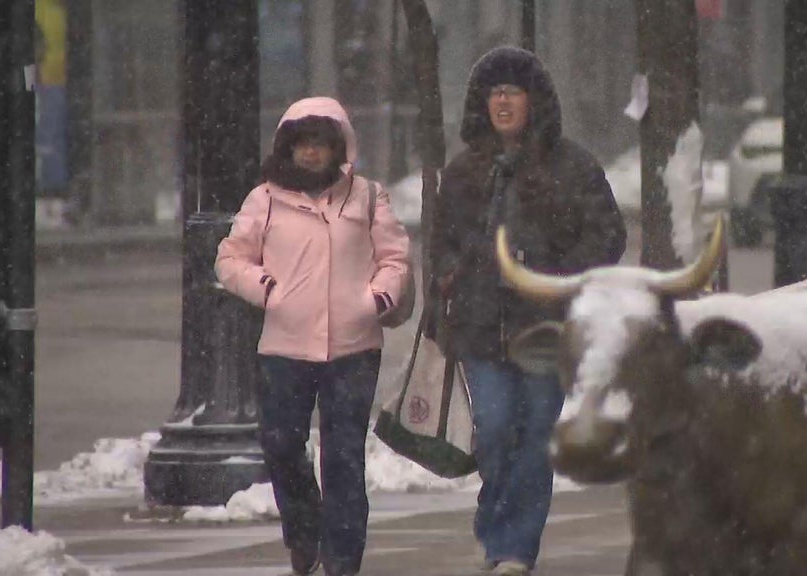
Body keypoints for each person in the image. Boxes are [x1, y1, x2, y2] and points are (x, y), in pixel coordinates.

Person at [432, 46, 627, 576]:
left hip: (544, 329)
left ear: (533, 101)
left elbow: (608, 235)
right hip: (480, 329)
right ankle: (497, 518)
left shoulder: (574, 164)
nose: (502, 101)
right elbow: (441, 242)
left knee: (537, 434)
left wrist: (557, 277)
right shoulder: (463, 172)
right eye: (494, 92)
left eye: (512, 91)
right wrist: (447, 277)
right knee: (494, 430)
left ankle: (514, 550)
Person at [215, 97, 410, 576]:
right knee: (281, 446)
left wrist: (378, 298)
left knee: (343, 456)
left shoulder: (367, 196)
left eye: (319, 143)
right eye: (300, 144)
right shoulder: (264, 199)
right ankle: (303, 532)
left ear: (338, 146)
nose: (309, 153)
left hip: (354, 348)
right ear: (287, 148)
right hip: (284, 347)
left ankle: (343, 559)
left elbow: (395, 257)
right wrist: (265, 289)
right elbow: (230, 258)